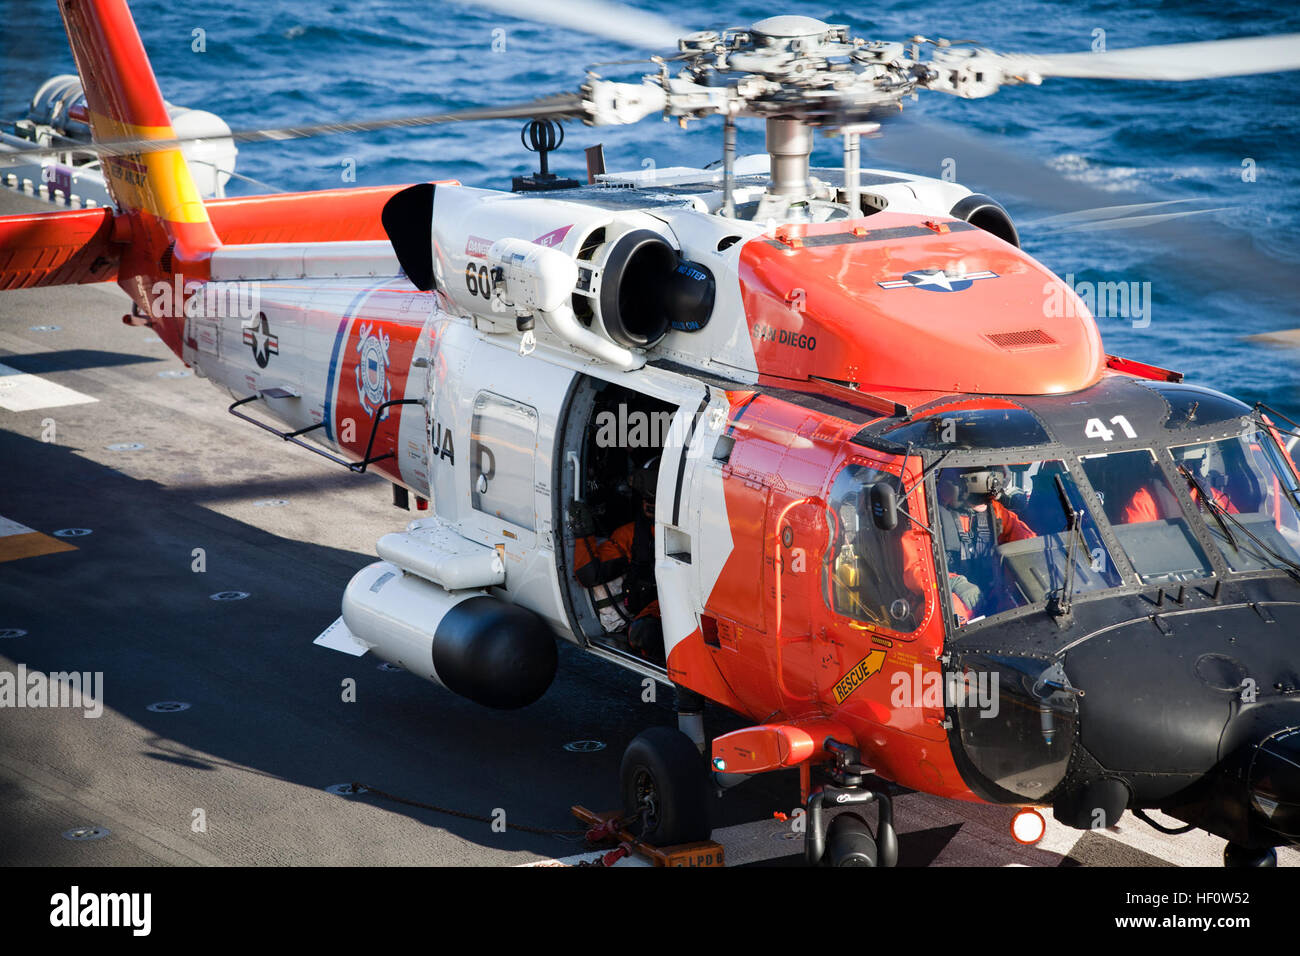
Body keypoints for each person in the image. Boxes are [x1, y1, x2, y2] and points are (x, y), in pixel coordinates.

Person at [568, 457, 663, 662]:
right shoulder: (633, 535)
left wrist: (582, 533)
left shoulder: (633, 535)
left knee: (645, 634)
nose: (651, 503)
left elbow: (589, 574)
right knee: (645, 634)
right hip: (661, 608)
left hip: (677, 610)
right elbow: (590, 574)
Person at [936, 467, 1036, 616]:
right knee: (952, 609)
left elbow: (1026, 539)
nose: (987, 501)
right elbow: (916, 566)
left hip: (991, 588)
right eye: (980, 497)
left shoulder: (993, 510)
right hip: (952, 591)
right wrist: (953, 582)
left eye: (989, 496)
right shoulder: (930, 516)